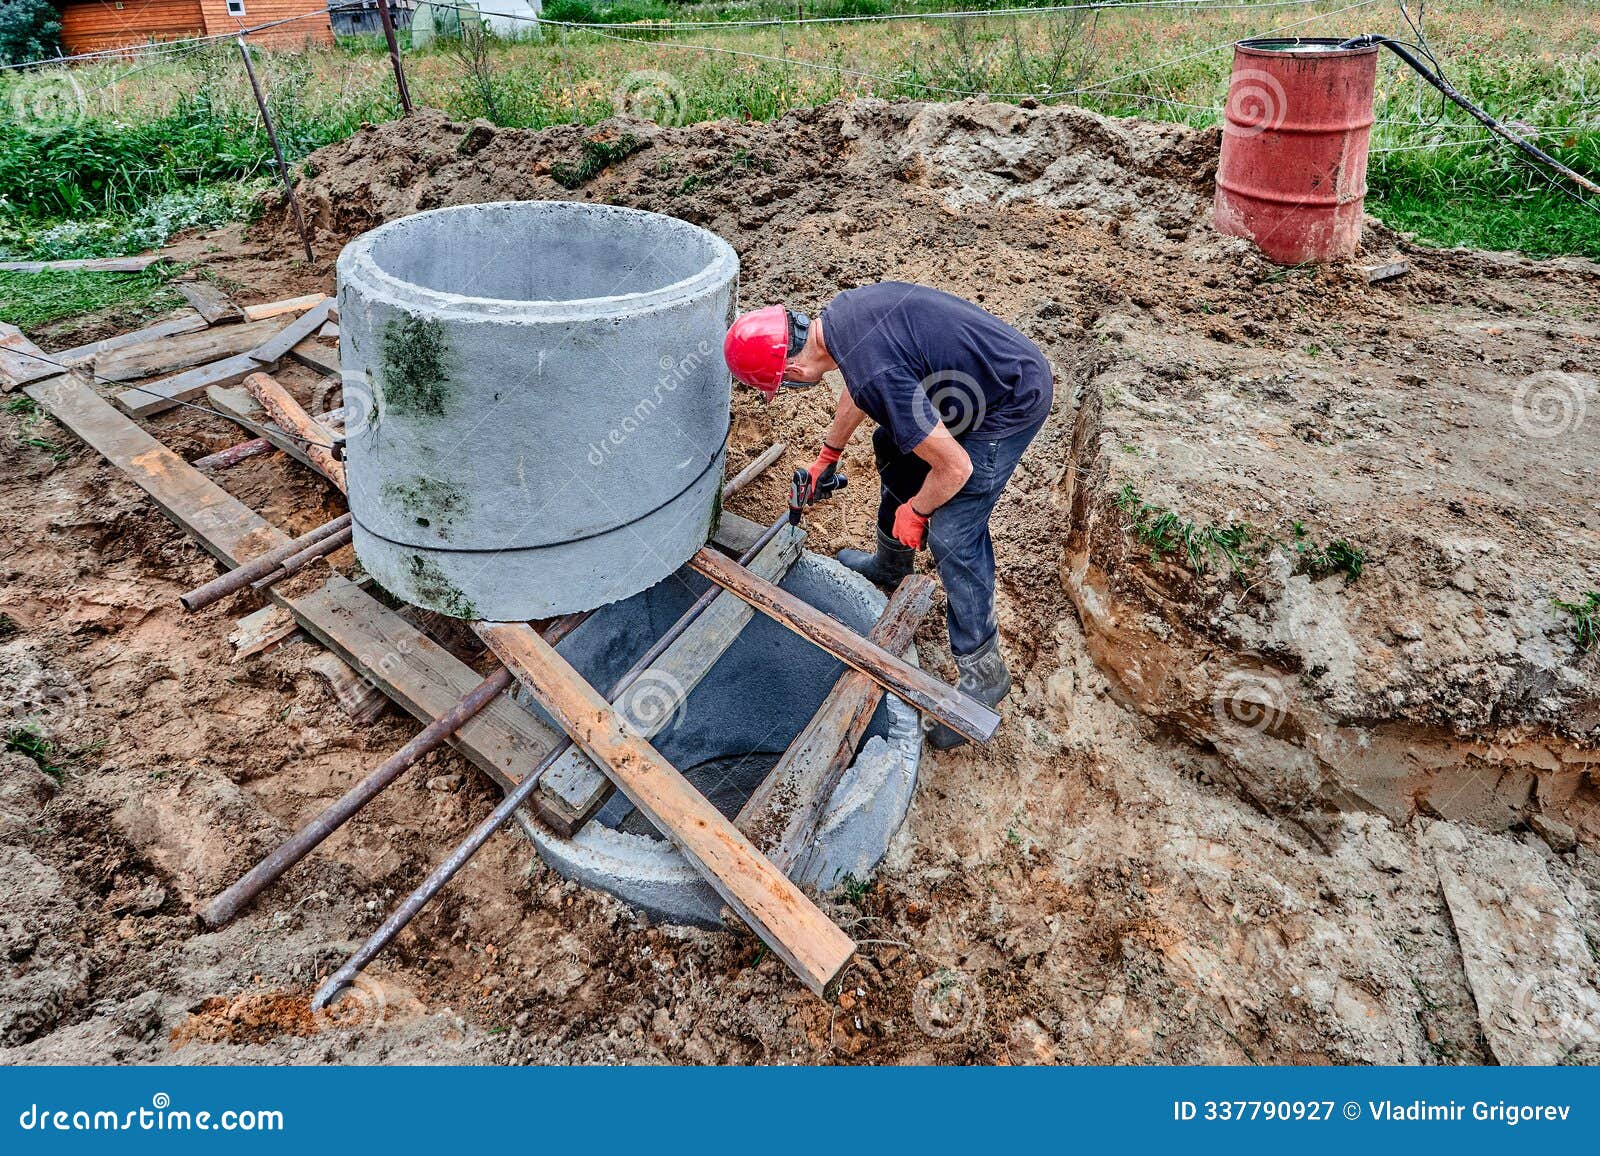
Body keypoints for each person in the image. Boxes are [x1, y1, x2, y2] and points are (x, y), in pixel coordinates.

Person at [723, 282, 1052, 749]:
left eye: (784, 385)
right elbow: (862, 389)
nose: (791, 388)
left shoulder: (871, 367)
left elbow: (957, 468)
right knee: (891, 442)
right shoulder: (840, 322)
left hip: (1010, 397)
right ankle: (892, 565)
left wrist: (917, 511)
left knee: (954, 533)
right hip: (966, 381)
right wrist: (827, 457)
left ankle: (984, 673)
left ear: (793, 369)